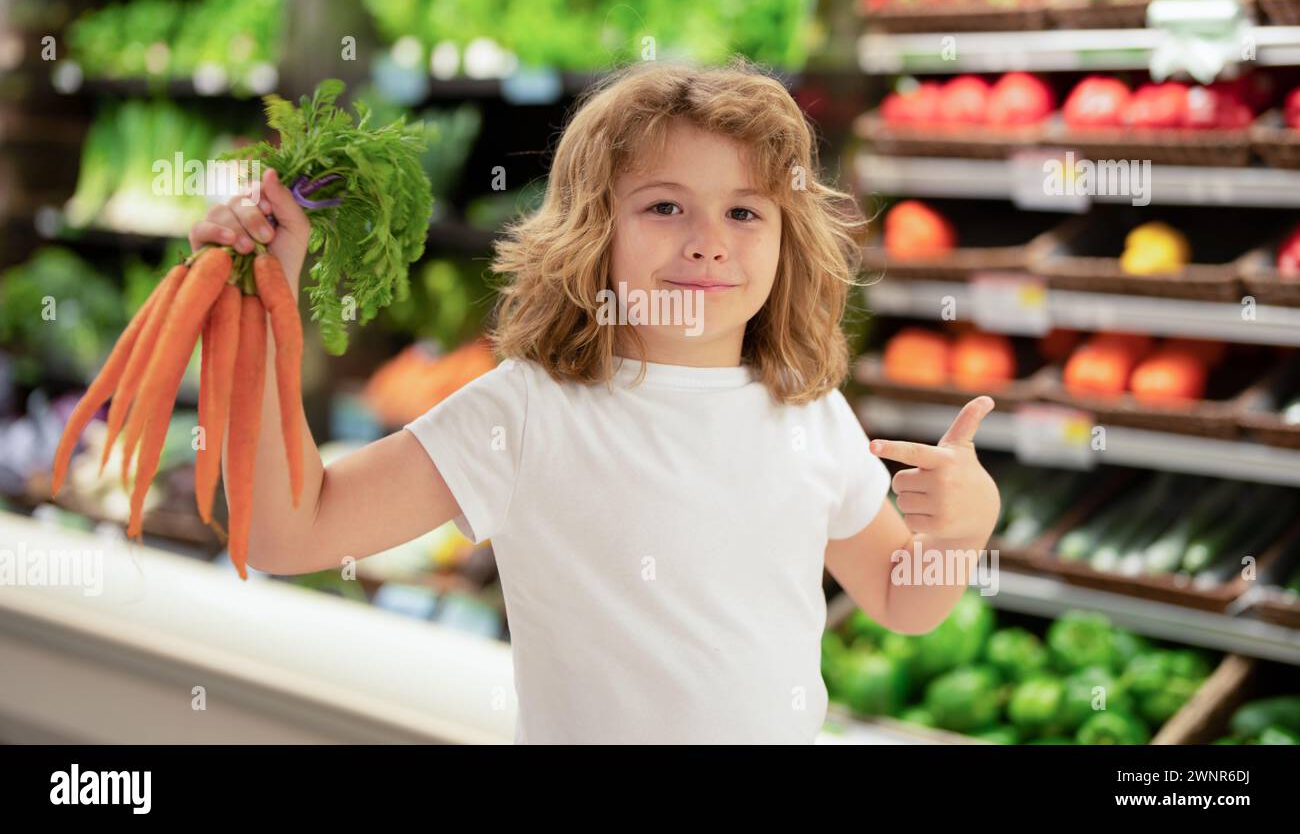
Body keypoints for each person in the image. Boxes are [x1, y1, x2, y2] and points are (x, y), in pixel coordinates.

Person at [188, 57, 1001, 744]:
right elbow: (289, 532)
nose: (709, 239)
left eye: (745, 211)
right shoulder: (527, 411)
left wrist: (962, 530)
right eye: (664, 206)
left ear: (789, 241)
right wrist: (262, 305)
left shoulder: (808, 411)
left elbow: (903, 599)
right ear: (591, 229)